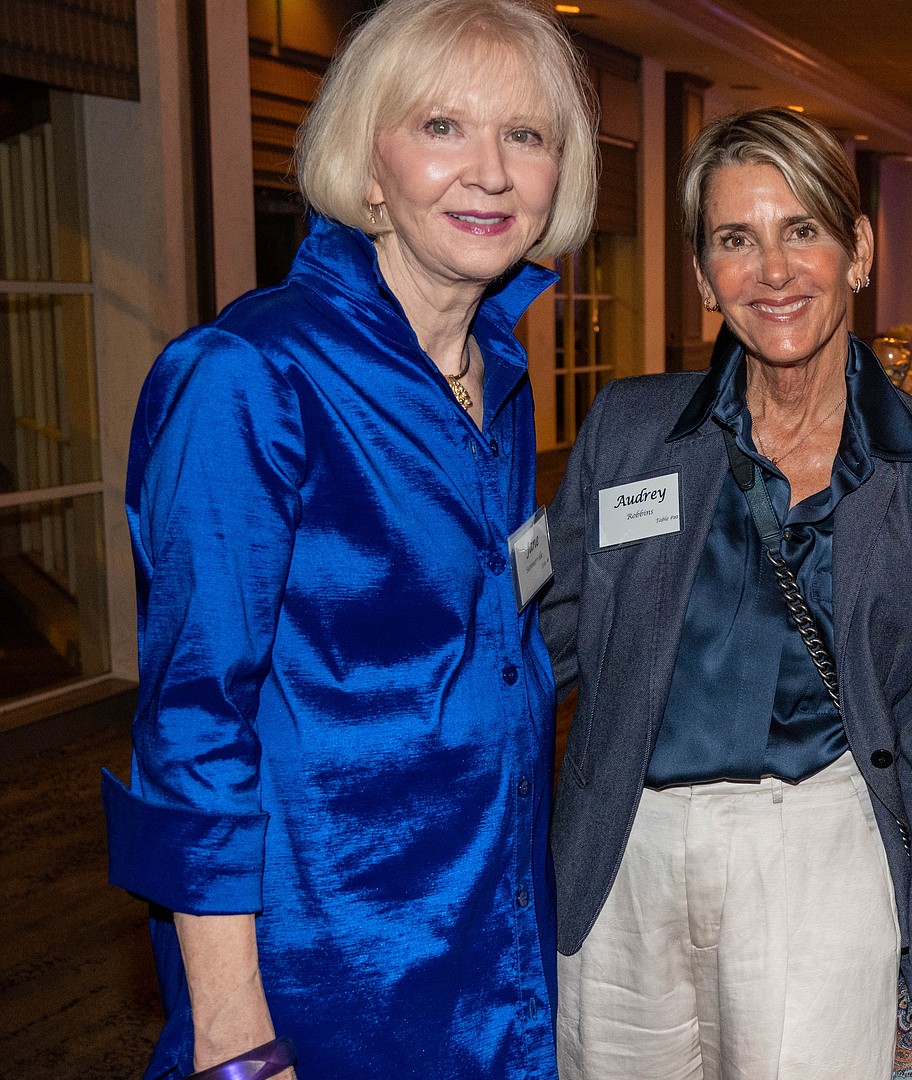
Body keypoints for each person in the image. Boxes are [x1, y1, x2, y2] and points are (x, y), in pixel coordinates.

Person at [99, 0, 597, 1076]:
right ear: (368, 164)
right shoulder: (248, 378)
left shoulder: (492, 378)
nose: (492, 172)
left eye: (527, 135)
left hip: (491, 942)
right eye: (440, 127)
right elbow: (191, 724)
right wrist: (234, 1035)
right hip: (323, 976)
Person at [541, 107, 912, 1080]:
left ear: (858, 250)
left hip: (817, 852)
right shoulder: (628, 431)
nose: (773, 271)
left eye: (803, 231)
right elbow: (538, 644)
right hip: (628, 850)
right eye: (736, 240)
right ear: (704, 275)